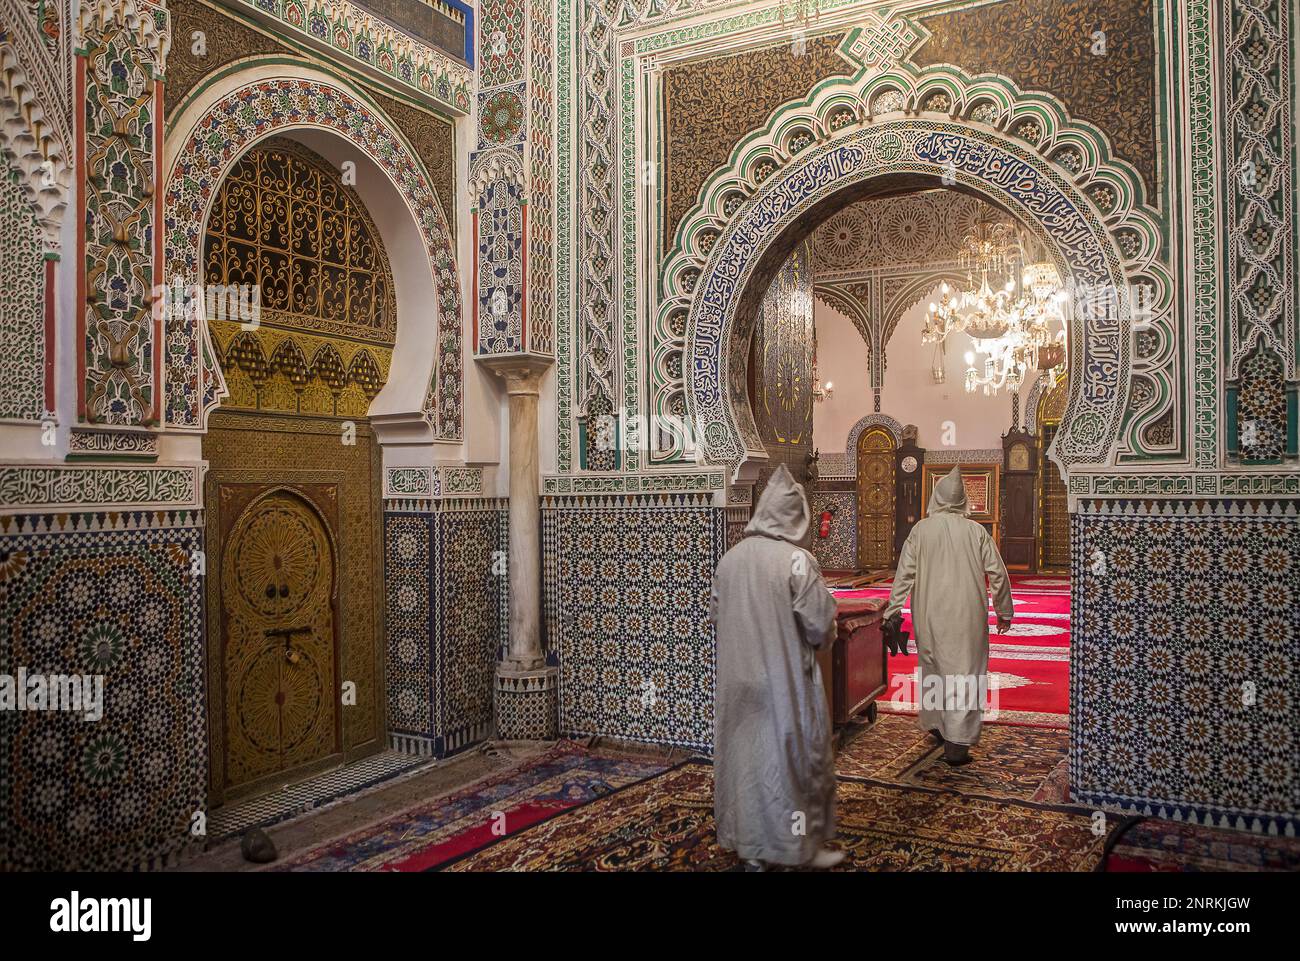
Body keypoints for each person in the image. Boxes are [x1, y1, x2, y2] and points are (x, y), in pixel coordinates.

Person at [711, 464, 842, 871]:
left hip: (737, 681)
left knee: (746, 764)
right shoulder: (797, 561)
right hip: (784, 684)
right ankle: (795, 847)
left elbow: (716, 615)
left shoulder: (730, 560)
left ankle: (751, 849)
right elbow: (819, 624)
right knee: (790, 764)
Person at [883, 465, 1013, 765]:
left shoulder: (921, 530)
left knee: (933, 667)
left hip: (929, 613)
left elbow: (904, 574)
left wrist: (893, 610)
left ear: (936, 497)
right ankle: (958, 743)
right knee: (965, 674)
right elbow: (997, 573)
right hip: (967, 616)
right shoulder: (975, 531)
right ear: (963, 500)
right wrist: (1003, 611)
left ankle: (937, 725)